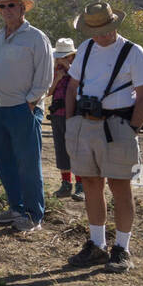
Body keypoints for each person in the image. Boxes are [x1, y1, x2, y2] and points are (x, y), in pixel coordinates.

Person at [64, 1, 143, 273]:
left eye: (105, 29)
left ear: (114, 25)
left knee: (120, 187)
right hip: (85, 124)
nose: (101, 35)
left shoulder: (133, 51)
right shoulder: (86, 48)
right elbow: (72, 87)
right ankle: (97, 245)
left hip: (118, 125)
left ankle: (122, 249)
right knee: (91, 183)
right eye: (96, 30)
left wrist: (131, 130)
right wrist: (71, 123)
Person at [0, 0, 53, 233]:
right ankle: (16, 207)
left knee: (28, 162)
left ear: (23, 8)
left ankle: (34, 214)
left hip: (22, 108)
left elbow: (45, 75)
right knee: (3, 161)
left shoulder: (37, 37)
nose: (7, 10)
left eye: (12, 5)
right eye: (3, 6)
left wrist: (32, 102)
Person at [47, 38, 83, 201]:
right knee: (61, 149)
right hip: (57, 114)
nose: (61, 59)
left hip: (75, 114)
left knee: (77, 150)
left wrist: (69, 69)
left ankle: (81, 185)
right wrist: (57, 78)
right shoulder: (55, 70)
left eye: (64, 56)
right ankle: (65, 184)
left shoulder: (79, 68)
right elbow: (48, 92)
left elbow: (83, 85)